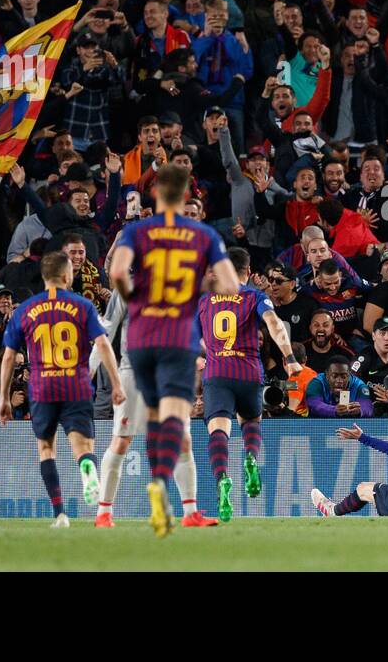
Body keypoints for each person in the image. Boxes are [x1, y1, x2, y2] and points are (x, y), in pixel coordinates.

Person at [108, 164, 240, 538]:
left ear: (154, 193)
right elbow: (230, 285)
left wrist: (135, 300)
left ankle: (169, 497)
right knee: (175, 420)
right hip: (179, 337)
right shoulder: (203, 234)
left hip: (142, 339)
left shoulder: (136, 230)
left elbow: (117, 272)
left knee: (153, 419)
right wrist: (200, 285)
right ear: (186, 196)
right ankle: (161, 487)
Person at [0, 251, 125, 529]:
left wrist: (3, 398)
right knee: (83, 447)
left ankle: (60, 515)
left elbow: (8, 356)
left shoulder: (26, 309)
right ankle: (87, 470)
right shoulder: (82, 306)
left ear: (45, 277)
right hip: (76, 385)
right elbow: (103, 345)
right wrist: (116, 384)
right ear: (68, 276)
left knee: (46, 448)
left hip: (42, 386)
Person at [92, 291, 213, 529]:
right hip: (134, 374)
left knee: (183, 440)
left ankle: (190, 513)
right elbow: (106, 330)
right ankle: (103, 512)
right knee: (122, 440)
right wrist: (90, 368)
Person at [198, 247, 300, 522]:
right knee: (251, 423)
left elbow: (193, 339)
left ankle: (222, 479)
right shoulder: (255, 295)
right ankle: (250, 458)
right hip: (249, 372)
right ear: (248, 270)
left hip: (217, 372)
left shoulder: (206, 300)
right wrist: (289, 358)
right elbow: (275, 324)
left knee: (218, 431)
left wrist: (199, 357)